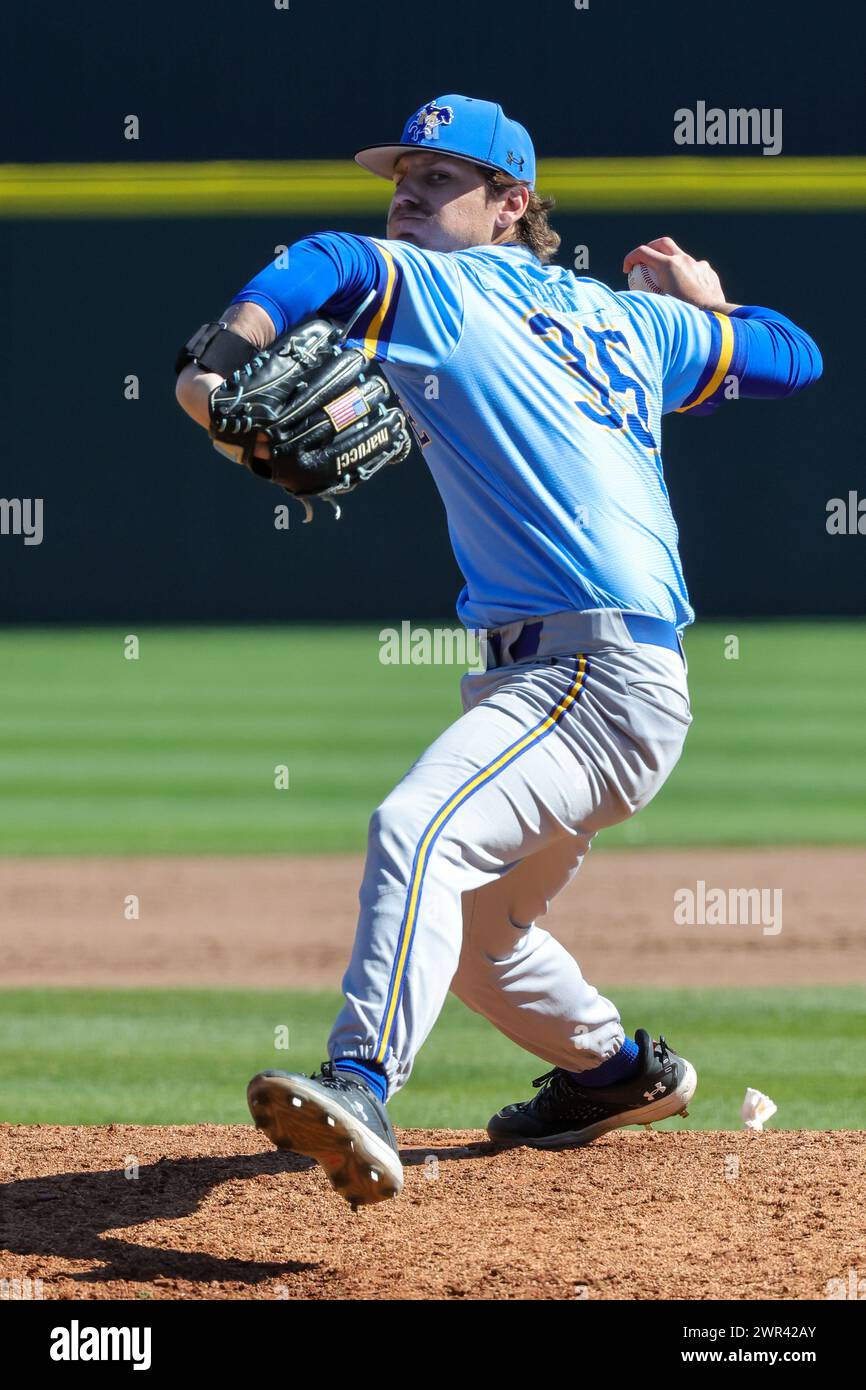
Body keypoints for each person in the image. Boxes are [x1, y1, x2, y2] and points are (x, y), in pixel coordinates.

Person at [176, 94, 822, 1210]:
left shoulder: (435, 284)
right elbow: (790, 357)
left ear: (510, 204)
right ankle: (613, 1073)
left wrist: (213, 362)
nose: (406, 196)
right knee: (477, 936)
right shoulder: (626, 321)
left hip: (590, 674)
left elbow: (322, 260)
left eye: (437, 180)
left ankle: (361, 1084)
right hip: (586, 678)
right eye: (402, 177)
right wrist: (715, 309)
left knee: (415, 825)